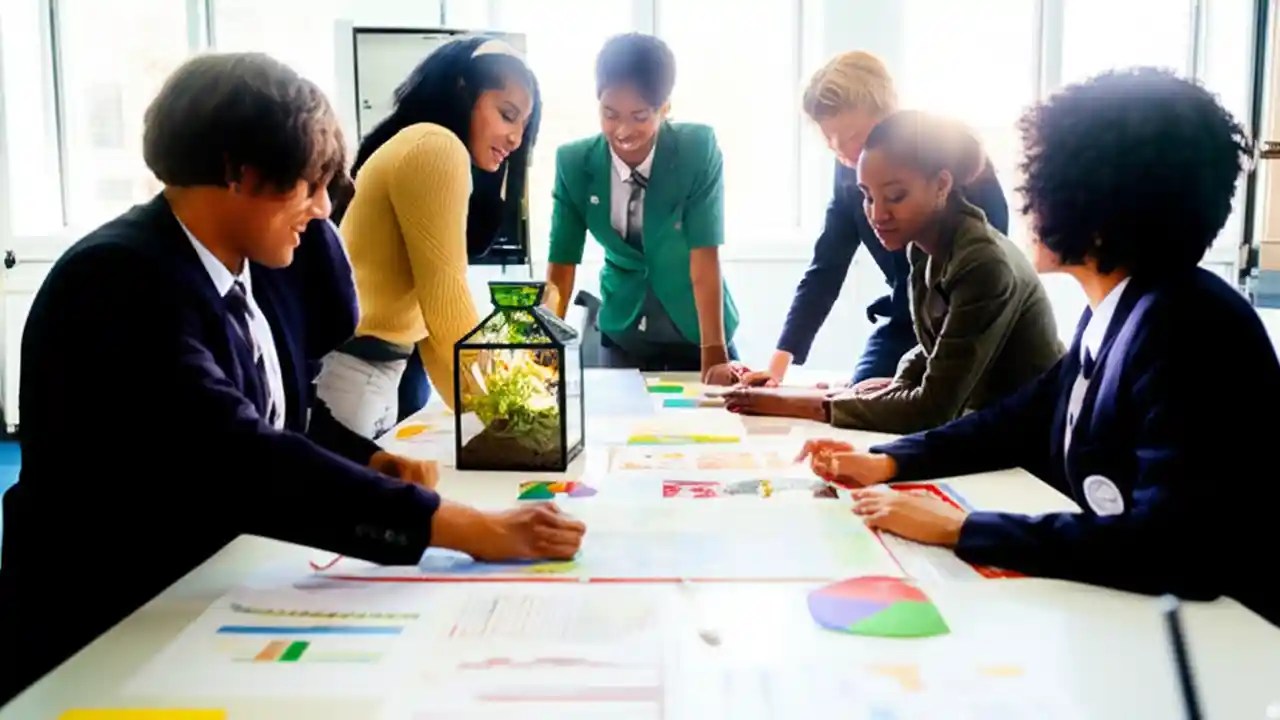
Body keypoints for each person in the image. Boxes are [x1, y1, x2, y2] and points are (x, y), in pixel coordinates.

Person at [0, 53, 584, 703]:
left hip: (209, 592)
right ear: (239, 173)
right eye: (308, 187)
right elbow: (240, 455)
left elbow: (289, 418)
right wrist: (467, 528)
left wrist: (370, 463)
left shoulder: (260, 265)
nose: (320, 210)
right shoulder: (117, 282)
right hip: (109, 624)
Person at [798, 68, 1279, 624]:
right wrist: (889, 460)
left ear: (1094, 200)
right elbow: (1013, 422)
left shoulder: (1188, 325)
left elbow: (1172, 548)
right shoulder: (1126, 310)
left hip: (1237, 644)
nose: (1027, 205)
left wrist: (961, 528)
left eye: (1040, 181)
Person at [724, 111, 1062, 434]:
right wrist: (892, 385)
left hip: (1027, 440)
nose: (877, 214)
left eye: (895, 196)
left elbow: (932, 410)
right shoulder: (922, 247)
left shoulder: (984, 263)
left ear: (942, 184)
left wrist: (800, 403)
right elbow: (937, 345)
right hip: (982, 422)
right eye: (867, 197)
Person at [315, 36, 541, 438]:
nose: (515, 138)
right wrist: (520, 414)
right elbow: (448, 305)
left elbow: (434, 331)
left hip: (370, 376)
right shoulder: (436, 147)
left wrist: (496, 419)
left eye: (524, 125)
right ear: (462, 89)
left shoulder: (419, 144)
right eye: (507, 114)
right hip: (355, 377)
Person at [742, 51, 1009, 386]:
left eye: (853, 137)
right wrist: (778, 365)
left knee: (913, 406)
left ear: (888, 114)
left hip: (968, 320)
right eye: (831, 142)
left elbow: (994, 263)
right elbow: (826, 267)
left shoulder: (952, 154)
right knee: (859, 400)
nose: (844, 153)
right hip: (904, 320)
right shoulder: (848, 172)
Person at [544, 33, 738, 382]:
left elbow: (704, 256)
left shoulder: (697, 149)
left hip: (698, 328)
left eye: (639, 116)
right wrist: (543, 350)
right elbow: (562, 267)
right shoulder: (573, 163)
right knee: (620, 431)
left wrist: (714, 353)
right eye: (610, 113)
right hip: (624, 328)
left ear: (665, 108)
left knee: (713, 431)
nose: (623, 130)